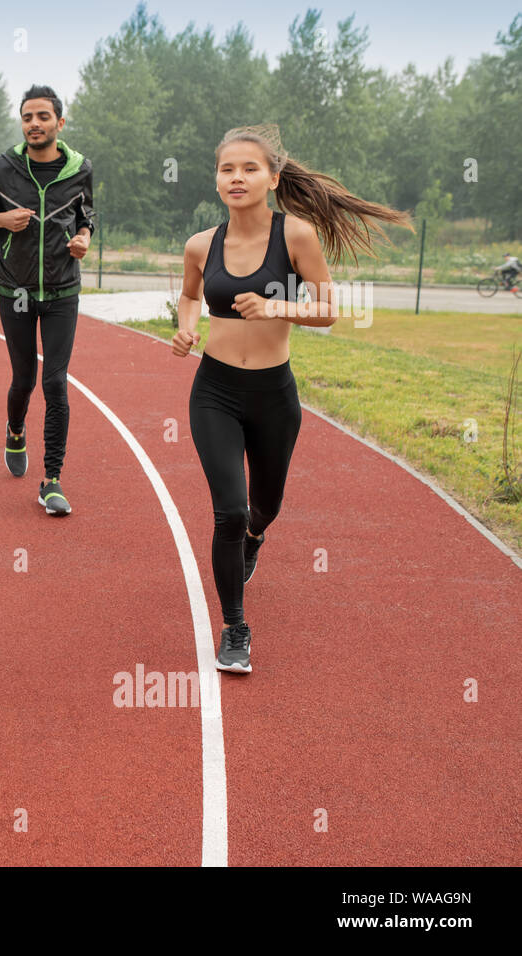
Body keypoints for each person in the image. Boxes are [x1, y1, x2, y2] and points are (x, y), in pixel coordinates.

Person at [172, 124, 410, 673]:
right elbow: (188, 297)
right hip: (215, 391)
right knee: (228, 510)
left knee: (264, 507)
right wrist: (184, 330)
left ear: (273, 178)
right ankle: (235, 626)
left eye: (249, 168)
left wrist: (276, 307)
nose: (237, 178)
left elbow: (328, 310)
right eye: (227, 169)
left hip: (274, 395)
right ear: (216, 180)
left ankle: (256, 536)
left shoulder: (297, 236)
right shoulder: (200, 245)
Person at [0, 85, 95, 516]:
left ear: (60, 122)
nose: (34, 124)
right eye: (27, 117)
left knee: (55, 383)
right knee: (23, 380)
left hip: (62, 292)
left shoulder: (80, 169)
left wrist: (83, 240)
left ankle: (52, 479)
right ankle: (16, 429)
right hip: (16, 291)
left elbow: (86, 217)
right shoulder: (3, 168)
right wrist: (1, 219)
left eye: (43, 116)